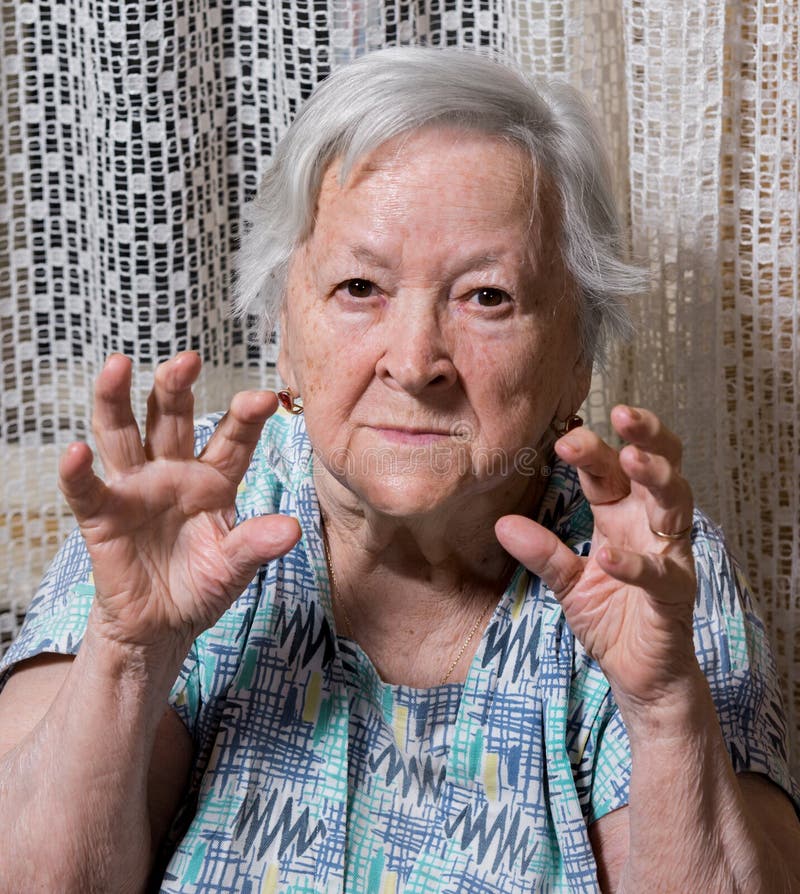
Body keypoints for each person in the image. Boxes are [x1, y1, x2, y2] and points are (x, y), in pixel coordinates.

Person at [0, 46, 798, 894]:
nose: (415, 362)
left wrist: (668, 714)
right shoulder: (185, 503)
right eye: (358, 287)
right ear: (286, 336)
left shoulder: (647, 565)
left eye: (486, 296)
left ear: (577, 360)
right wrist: (128, 653)